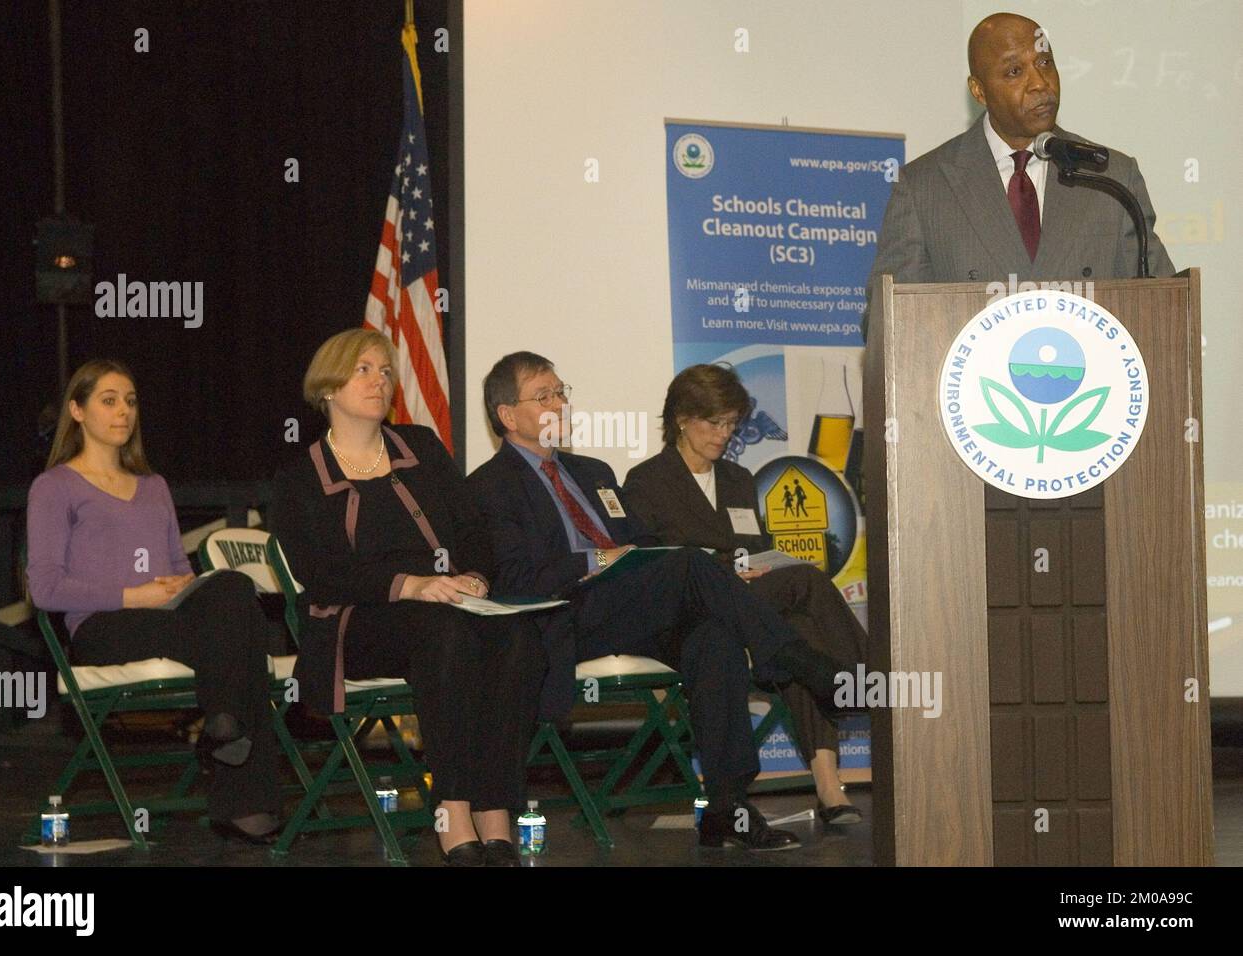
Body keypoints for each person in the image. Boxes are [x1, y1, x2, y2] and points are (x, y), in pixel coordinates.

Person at [468, 351, 852, 851]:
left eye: (562, 392)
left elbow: (644, 545)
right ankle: (803, 664)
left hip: (630, 606)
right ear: (506, 415)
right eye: (544, 396)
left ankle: (727, 807)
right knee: (690, 563)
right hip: (564, 616)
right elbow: (516, 580)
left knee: (713, 637)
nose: (560, 405)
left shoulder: (594, 471)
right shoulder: (489, 486)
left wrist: (632, 560)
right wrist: (599, 562)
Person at [269, 329, 541, 867]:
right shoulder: (301, 476)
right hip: (359, 620)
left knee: (517, 637)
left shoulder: (420, 447)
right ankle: (454, 809)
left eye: (385, 371)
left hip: (448, 606)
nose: (379, 381)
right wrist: (410, 586)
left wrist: (475, 578)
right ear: (327, 388)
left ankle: (496, 809)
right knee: (445, 632)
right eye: (363, 370)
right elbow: (321, 573)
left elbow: (472, 529)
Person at [26, 359, 283, 844]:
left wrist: (180, 587)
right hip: (104, 626)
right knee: (240, 641)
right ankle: (247, 799)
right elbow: (45, 588)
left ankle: (223, 722)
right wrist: (132, 593)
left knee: (230, 589)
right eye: (109, 400)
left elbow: (178, 570)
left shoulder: (153, 486)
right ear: (77, 411)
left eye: (130, 401)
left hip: (169, 620)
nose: (123, 411)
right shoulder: (54, 487)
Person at [623, 364, 868, 824]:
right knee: (807, 583)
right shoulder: (646, 481)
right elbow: (658, 565)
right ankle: (861, 678)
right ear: (681, 418)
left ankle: (829, 787)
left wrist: (752, 566)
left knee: (798, 626)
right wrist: (727, 569)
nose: (724, 434)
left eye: (732, 423)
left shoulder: (736, 479)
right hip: (688, 614)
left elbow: (750, 547)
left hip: (749, 602)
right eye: (713, 423)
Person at [862, 11, 1175, 339]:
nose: (1040, 83)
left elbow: (1163, 311)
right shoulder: (924, 187)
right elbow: (887, 328)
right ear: (979, 91)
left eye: (1044, 62)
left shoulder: (1111, 177)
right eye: (1014, 71)